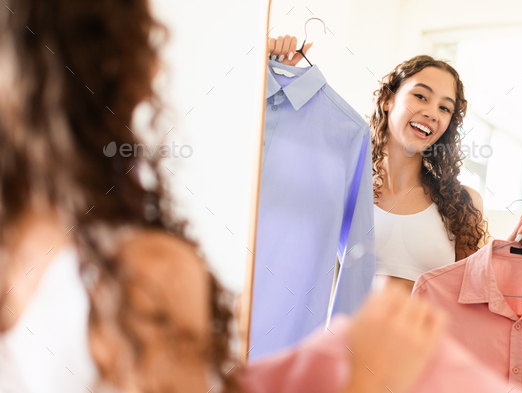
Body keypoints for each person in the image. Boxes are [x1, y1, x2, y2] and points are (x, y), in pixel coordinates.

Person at [0, 2, 448, 392]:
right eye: (149, 41)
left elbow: (356, 257)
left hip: (289, 342)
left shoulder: (344, 131)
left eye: (446, 106)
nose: (159, 63)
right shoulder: (151, 271)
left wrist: (341, 349)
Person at [268, 36, 522, 293]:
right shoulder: (346, 186)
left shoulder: (462, 203)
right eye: (421, 96)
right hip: (350, 344)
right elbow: (286, 236)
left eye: (445, 108)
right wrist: (278, 78)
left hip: (426, 348)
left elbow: (473, 293)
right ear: (389, 100)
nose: (431, 113)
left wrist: (512, 251)